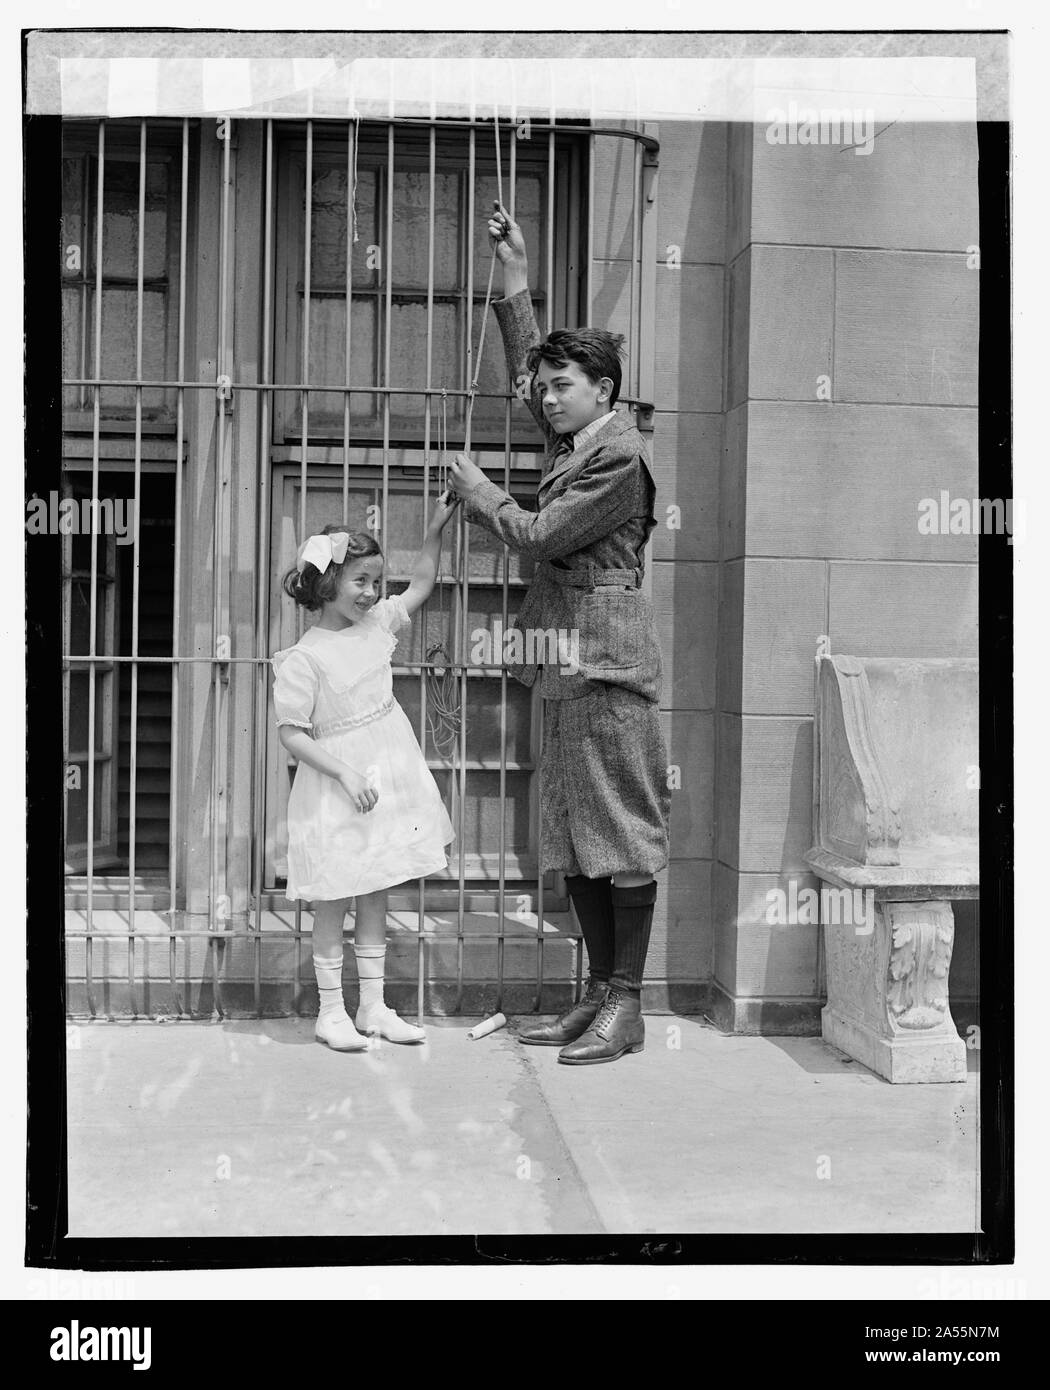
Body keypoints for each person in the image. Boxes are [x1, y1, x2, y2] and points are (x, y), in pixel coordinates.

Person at [448, 204, 672, 1065]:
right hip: (565, 663)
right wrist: (516, 273)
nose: (543, 398)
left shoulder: (618, 457)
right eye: (543, 389)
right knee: (576, 837)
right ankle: (594, 997)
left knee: (621, 833)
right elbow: (525, 367)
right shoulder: (579, 438)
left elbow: (541, 536)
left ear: (605, 392)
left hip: (608, 666)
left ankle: (628, 1004)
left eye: (561, 387)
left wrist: (481, 494)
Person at [273, 506, 458, 1051]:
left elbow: (422, 582)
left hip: (385, 779)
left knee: (376, 890)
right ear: (327, 584)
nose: (373, 593)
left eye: (377, 581)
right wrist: (345, 772)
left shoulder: (377, 625)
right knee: (333, 896)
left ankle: (373, 1006)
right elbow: (293, 733)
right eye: (361, 581)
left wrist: (430, 533)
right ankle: (331, 1012)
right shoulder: (304, 658)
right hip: (336, 787)